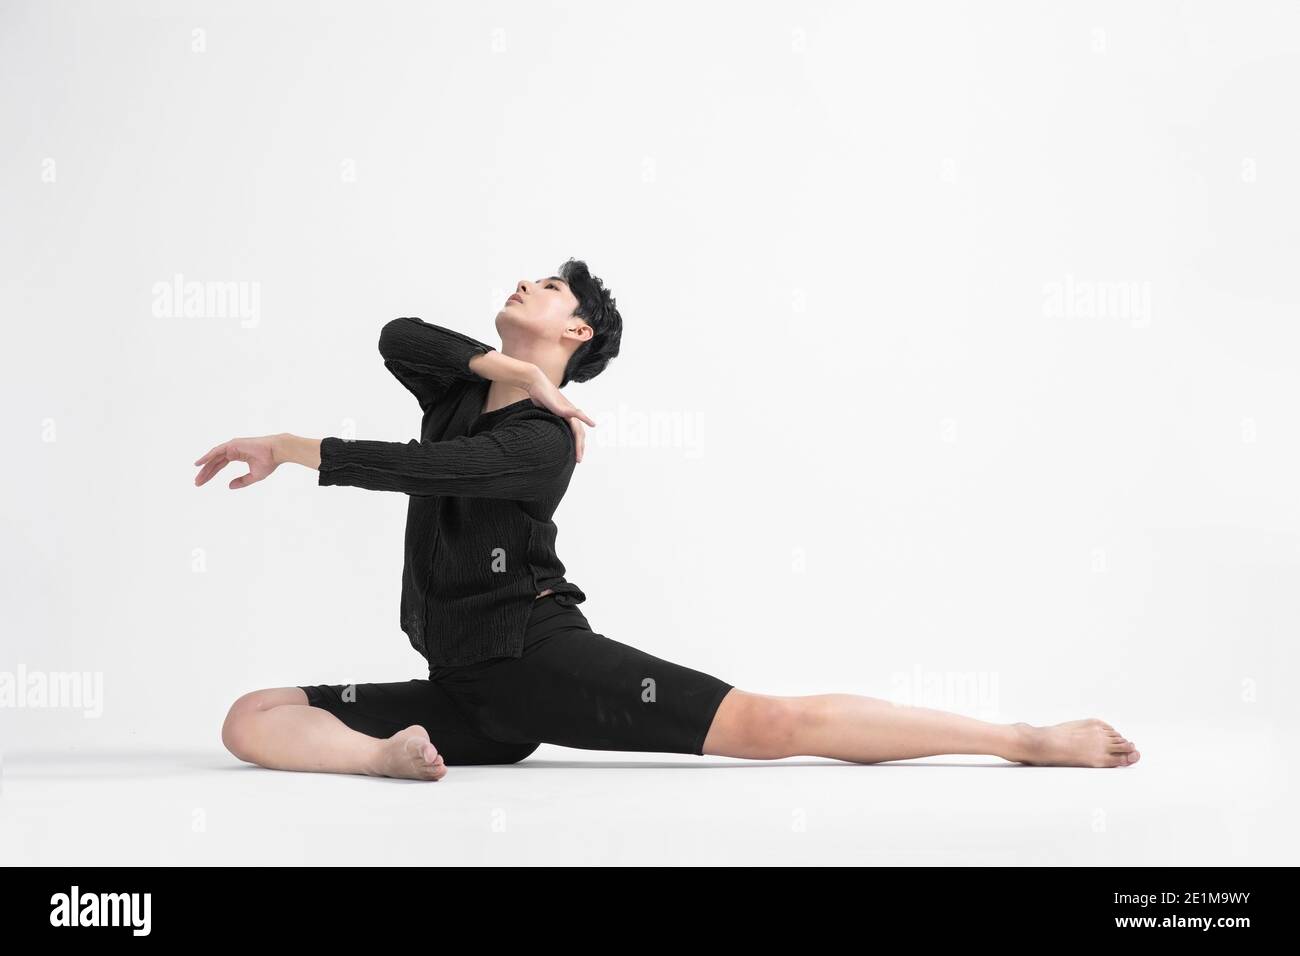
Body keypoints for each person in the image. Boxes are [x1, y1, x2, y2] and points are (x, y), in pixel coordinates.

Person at [202, 258, 1141, 781]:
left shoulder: (539, 442)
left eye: (549, 288)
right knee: (252, 715)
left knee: (774, 722)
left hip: (539, 658)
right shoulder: (469, 387)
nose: (525, 283)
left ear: (579, 333)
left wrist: (291, 445)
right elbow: (399, 335)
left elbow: (423, 470)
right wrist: (518, 369)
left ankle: (1025, 739)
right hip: (461, 690)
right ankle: (386, 762)